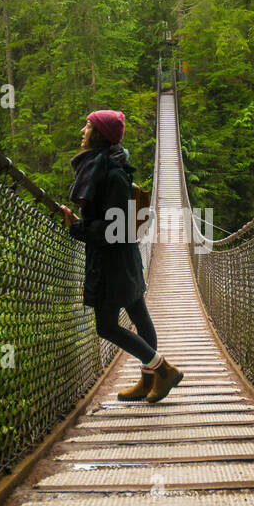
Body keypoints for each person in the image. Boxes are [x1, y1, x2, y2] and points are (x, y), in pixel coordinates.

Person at [60, 108, 183, 404]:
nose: (82, 131)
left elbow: (114, 227)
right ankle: (148, 380)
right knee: (139, 315)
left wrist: (77, 227)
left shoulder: (111, 173)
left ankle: (162, 369)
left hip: (112, 263)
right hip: (123, 258)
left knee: (106, 326)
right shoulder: (108, 166)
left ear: (99, 135)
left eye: (87, 126)